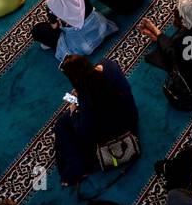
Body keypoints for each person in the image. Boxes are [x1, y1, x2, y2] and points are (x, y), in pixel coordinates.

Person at [54, 54, 139, 186]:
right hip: (130, 116)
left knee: (62, 124)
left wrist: (73, 112)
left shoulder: (87, 98)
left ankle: (75, 170)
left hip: (116, 132)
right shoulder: (109, 65)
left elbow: (85, 132)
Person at [32, 0, 118, 61]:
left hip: (81, 44)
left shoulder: (51, 2)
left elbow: (55, 27)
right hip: (100, 28)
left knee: (38, 30)